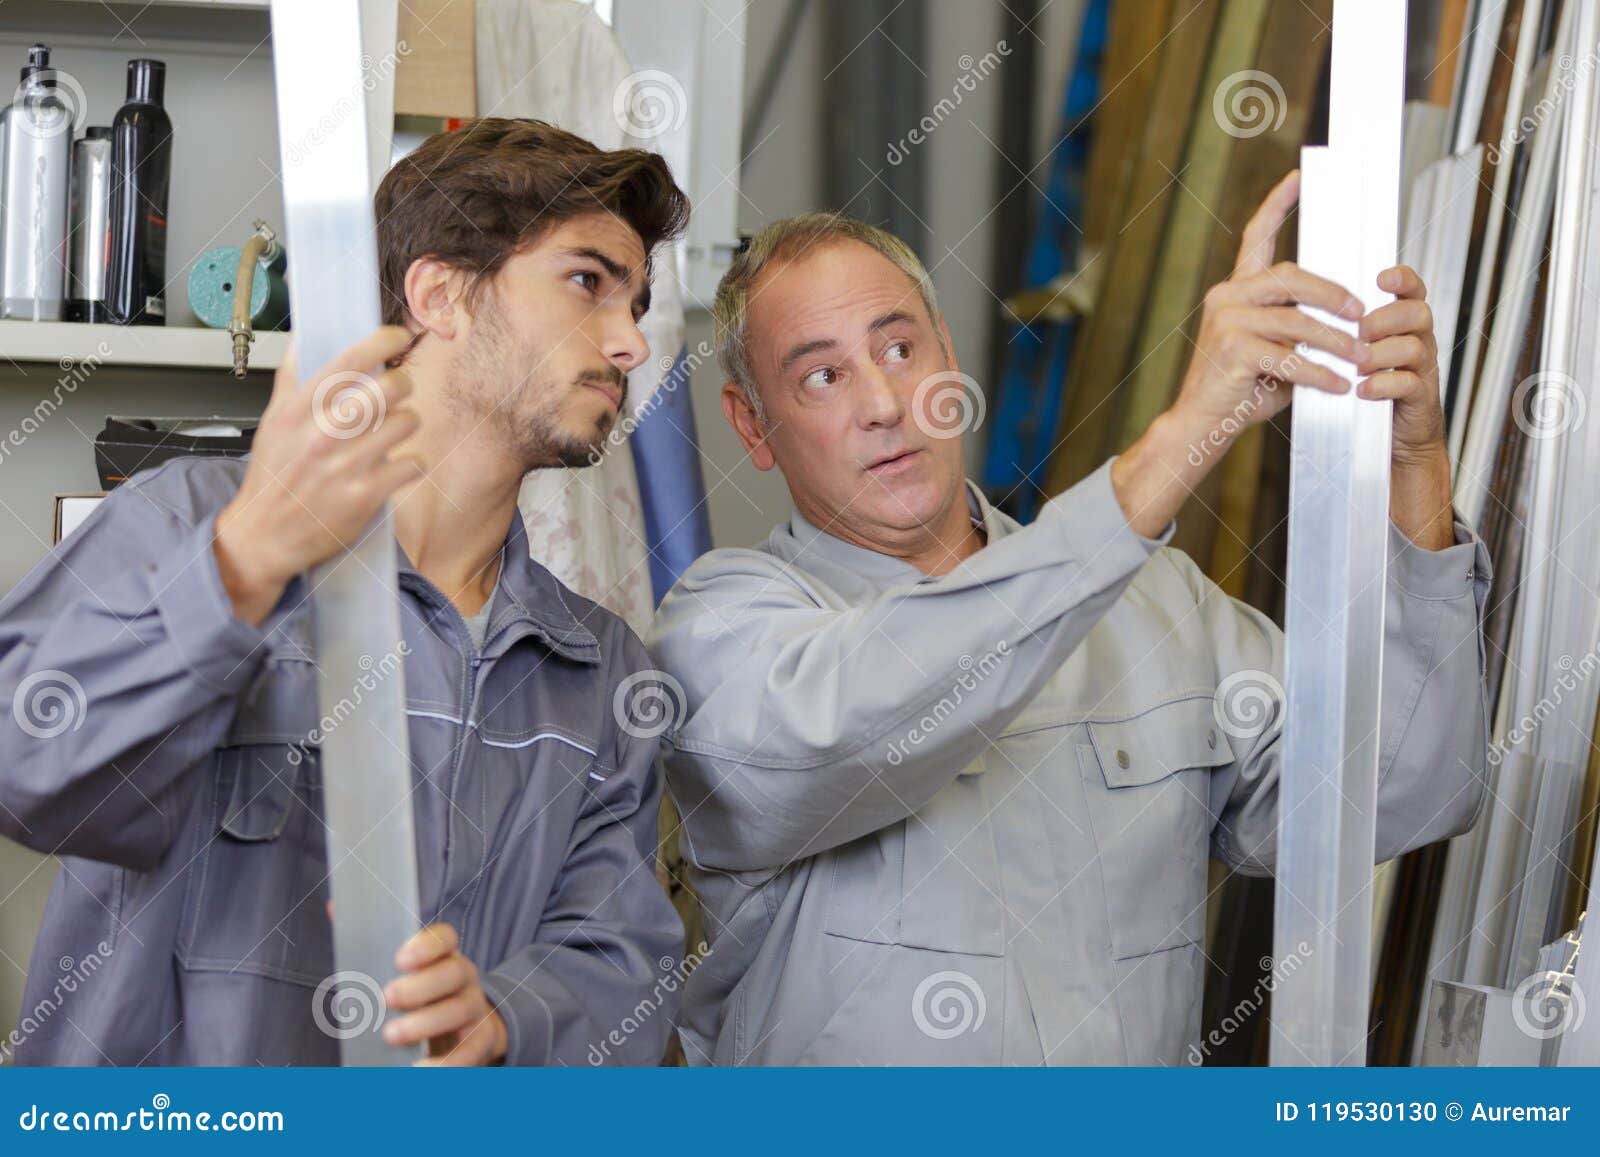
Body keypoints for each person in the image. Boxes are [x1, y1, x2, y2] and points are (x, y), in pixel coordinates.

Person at [647, 172, 1492, 1065]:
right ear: (753, 426)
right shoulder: (723, 632)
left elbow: (1406, 786)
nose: (884, 404)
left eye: (899, 349)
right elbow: (860, 715)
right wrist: (1188, 431)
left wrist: (1417, 464)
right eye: (822, 375)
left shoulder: (1158, 603)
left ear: (948, 357)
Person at [0, 118, 689, 1065]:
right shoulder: (183, 523)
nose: (629, 343)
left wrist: (504, 1019)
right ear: (440, 293)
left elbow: (621, 963)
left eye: (637, 305)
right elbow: (24, 767)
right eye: (588, 283)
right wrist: (241, 562)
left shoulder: (599, 669)